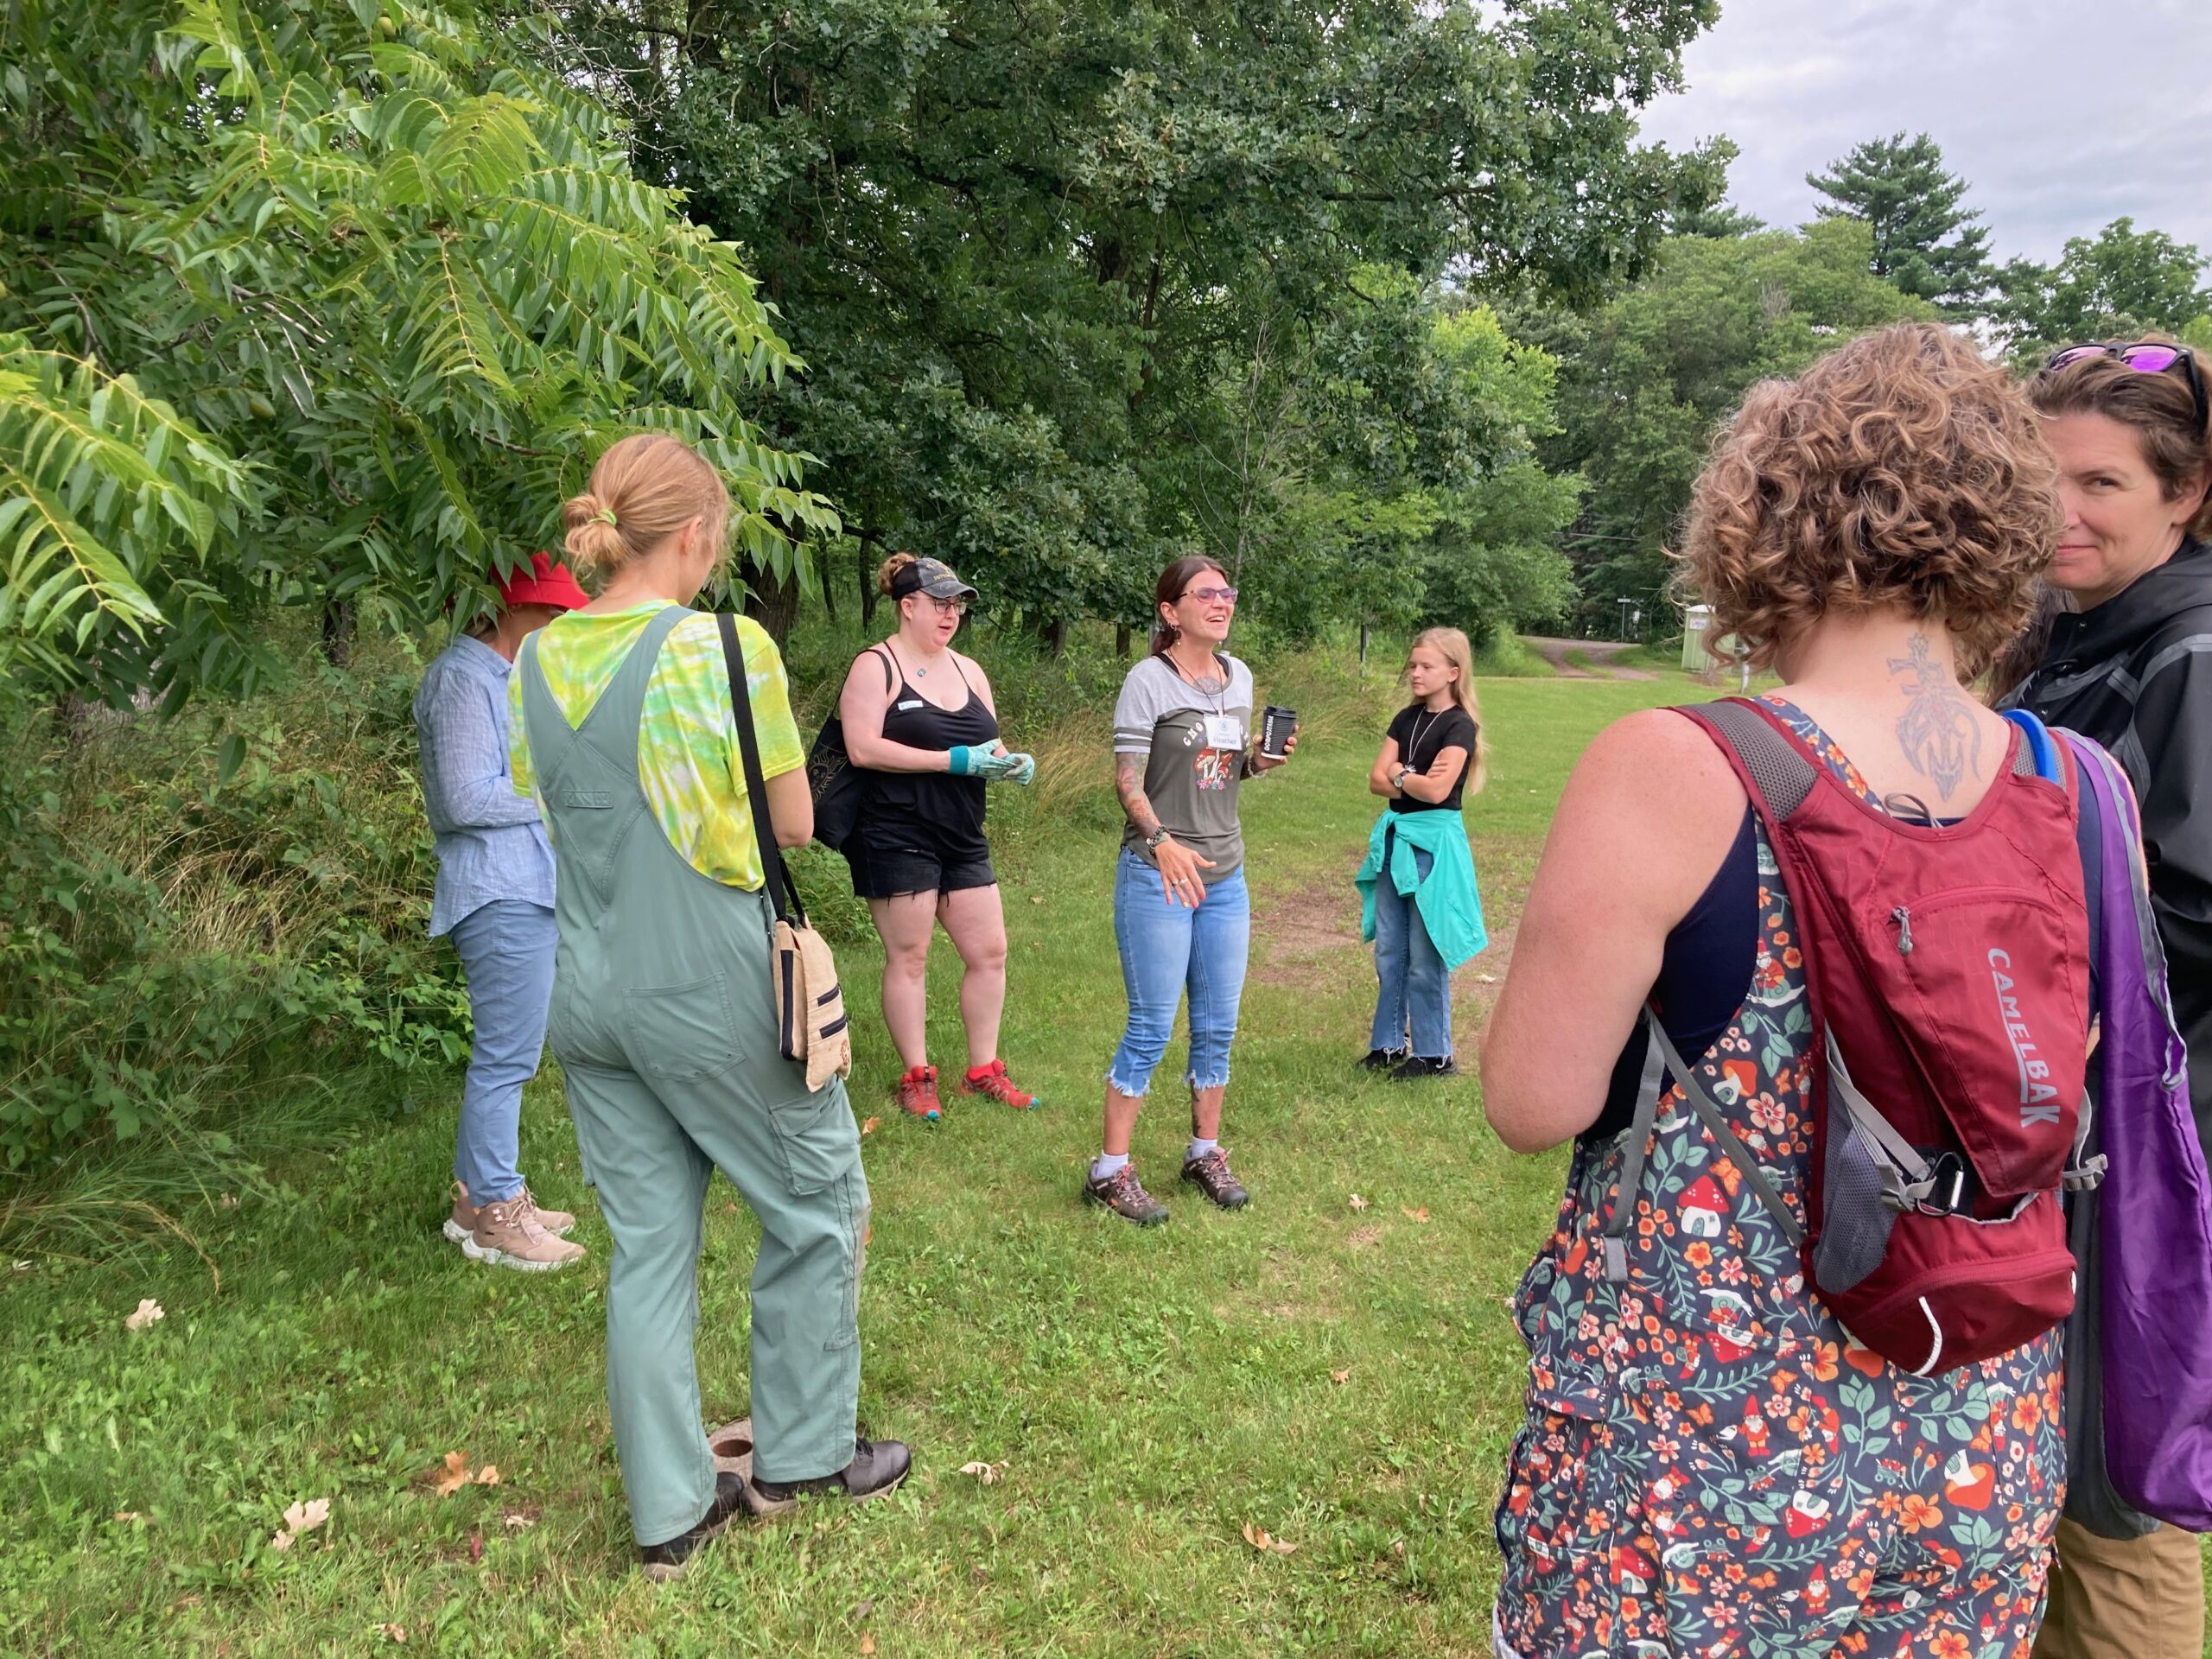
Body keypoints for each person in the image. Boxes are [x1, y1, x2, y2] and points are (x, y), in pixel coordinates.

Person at [1481, 324, 2076, 1656]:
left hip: (1706, 1460)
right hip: (1977, 1437)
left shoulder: (1680, 767)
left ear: (1762, 515)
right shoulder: (2075, 784)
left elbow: (1532, 1101)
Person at [511, 433, 908, 1580]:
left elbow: (567, 808)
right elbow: (792, 823)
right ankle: (803, 1455)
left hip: (584, 987)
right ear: (692, 536)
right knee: (820, 1202)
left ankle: (671, 1513)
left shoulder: (535, 660)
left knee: (646, 1249)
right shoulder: (724, 649)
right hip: (705, 977)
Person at [1999, 338, 2212, 1659]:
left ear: (2187, 497)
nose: (2061, 512)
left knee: (2123, 1494)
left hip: (2155, 1152)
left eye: (2103, 484)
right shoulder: (2068, 637)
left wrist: (2004, 985)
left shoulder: (2190, 652)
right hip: (2067, 1132)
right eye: (2041, 477)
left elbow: (2189, 915)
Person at [1085, 556, 1294, 1225]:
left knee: (1218, 1024)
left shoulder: (1240, 680)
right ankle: (1109, 1171)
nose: (1221, 601)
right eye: (1205, 593)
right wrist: (1161, 841)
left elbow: (1221, 772)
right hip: (1158, 874)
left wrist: (1257, 763)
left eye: (1227, 591)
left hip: (1226, 876)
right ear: (1170, 612)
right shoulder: (1147, 681)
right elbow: (1127, 781)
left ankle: (1204, 1151)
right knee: (1151, 1025)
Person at [414, 550, 590, 1271]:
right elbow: (462, 798)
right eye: (549, 609)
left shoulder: (505, 678)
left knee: (510, 1055)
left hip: (525, 887)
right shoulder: (461, 678)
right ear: (511, 607)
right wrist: (557, 796)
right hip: (498, 892)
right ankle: (498, 1214)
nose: (558, 622)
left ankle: (472, 1202)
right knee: (506, 1059)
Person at [837, 552, 1040, 1122]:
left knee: (990, 952)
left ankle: (983, 1071)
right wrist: (951, 760)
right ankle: (917, 1075)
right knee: (910, 955)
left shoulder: (969, 670)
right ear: (908, 606)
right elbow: (862, 748)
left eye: (957, 604)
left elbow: (990, 745)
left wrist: (1009, 762)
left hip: (962, 832)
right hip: (894, 831)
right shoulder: (875, 666)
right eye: (939, 603)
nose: (950, 614)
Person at [1355, 626, 1489, 1081]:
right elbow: (1375, 779)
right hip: (1396, 842)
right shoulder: (1404, 720)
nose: (1415, 673)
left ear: (1453, 672)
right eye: (1413, 665)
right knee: (1391, 949)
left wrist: (1398, 773)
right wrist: (1404, 775)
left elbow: (1435, 791)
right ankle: (1389, 1043)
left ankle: (1435, 1054)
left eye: (1426, 666)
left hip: (1434, 846)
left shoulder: (1459, 726)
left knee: (1426, 951)